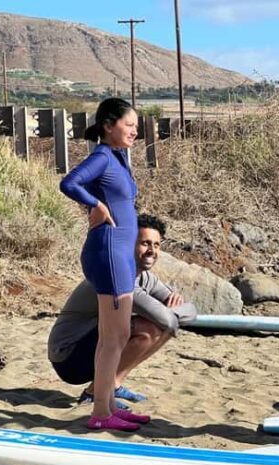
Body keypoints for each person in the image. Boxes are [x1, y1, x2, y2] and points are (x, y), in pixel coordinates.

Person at [48, 214, 197, 428]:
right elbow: (168, 320)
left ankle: (112, 386)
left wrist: (170, 314)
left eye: (156, 245)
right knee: (150, 327)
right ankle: (96, 392)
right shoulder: (119, 275)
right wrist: (169, 314)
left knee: (156, 325)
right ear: (129, 244)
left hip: (98, 346)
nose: (152, 251)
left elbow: (192, 310)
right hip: (68, 355)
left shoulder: (145, 277)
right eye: (145, 243)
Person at [58, 97, 146, 431]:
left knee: (117, 335)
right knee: (114, 338)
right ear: (108, 125)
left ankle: (107, 404)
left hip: (120, 253)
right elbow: (69, 183)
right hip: (107, 252)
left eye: (136, 126)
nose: (134, 131)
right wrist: (95, 204)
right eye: (128, 124)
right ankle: (100, 413)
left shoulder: (118, 157)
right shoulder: (101, 157)